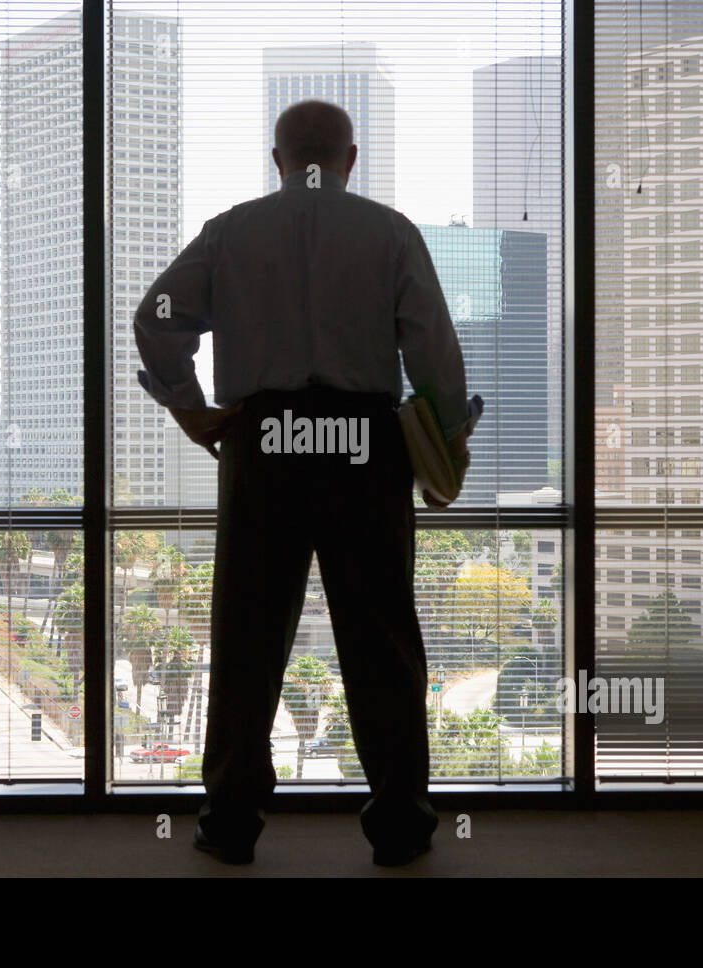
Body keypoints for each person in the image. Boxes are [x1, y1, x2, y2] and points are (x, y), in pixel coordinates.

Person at [132, 99, 471, 866]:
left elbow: (154, 317)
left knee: (248, 636)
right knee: (382, 639)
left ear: (277, 159)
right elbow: (434, 355)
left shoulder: (230, 232)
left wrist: (192, 407)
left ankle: (229, 824)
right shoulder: (390, 233)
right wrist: (445, 441)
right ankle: (399, 824)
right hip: (364, 446)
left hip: (266, 443)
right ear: (349, 160)